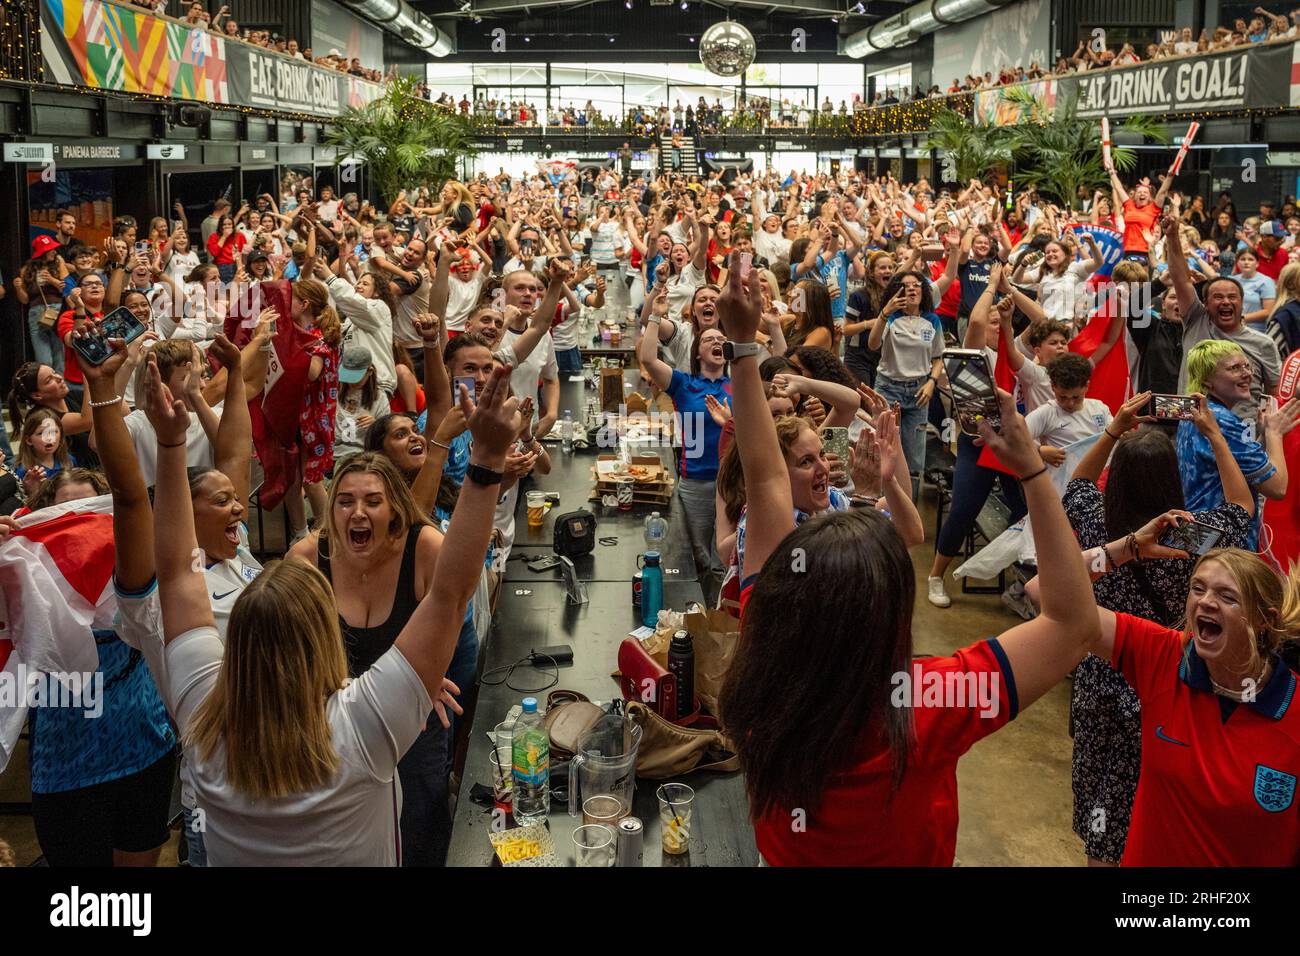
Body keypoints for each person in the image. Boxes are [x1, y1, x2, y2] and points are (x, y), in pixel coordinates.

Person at [714, 250, 1102, 865]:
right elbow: (1073, 623)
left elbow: (763, 482)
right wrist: (1029, 468)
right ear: (896, 607)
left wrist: (741, 345)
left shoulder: (765, 661)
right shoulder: (929, 704)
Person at [149, 355, 518, 866]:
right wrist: (489, 458)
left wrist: (170, 448)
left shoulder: (202, 720)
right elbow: (451, 594)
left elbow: (174, 575)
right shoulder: (362, 727)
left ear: (236, 642)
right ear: (325, 639)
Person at [1042, 390, 1255, 865]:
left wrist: (1114, 428)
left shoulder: (1098, 523)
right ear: (1170, 484)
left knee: (1101, 807)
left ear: (1113, 479)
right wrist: (1214, 433)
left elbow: (1076, 484)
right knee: (1154, 803)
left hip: (1100, 682)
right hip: (1165, 682)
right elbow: (1242, 506)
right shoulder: (1187, 535)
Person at [639, 285, 730, 601]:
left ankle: (720, 620)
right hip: (694, 482)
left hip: (731, 483)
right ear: (697, 351)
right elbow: (648, 358)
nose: (716, 342)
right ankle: (697, 615)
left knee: (724, 560)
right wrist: (654, 316)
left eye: (721, 340)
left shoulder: (740, 385)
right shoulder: (684, 384)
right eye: (709, 340)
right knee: (697, 557)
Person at [1176, 339, 1299, 549]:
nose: (1247, 374)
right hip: (1224, 546)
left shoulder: (1194, 412)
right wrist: (1274, 433)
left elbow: (1240, 465)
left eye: (1247, 366)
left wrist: (1264, 437)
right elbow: (1277, 487)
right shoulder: (1223, 421)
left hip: (1197, 538)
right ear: (1207, 381)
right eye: (1234, 368)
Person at [1165, 215, 1281, 421]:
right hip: (1193, 426)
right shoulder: (1196, 322)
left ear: (1242, 303)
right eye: (1218, 297)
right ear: (1206, 305)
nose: (1226, 302)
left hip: (1242, 435)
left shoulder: (1264, 344)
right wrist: (1172, 236)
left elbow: (1272, 395)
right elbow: (1180, 279)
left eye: (1232, 297)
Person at [867, 273, 944, 491]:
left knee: (914, 458)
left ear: (923, 291)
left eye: (916, 285)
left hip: (920, 391)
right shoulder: (890, 318)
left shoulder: (932, 320)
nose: (911, 289)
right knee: (883, 449)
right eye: (905, 286)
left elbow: (938, 358)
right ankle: (882, 508)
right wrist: (884, 313)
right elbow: (873, 345)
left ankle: (909, 511)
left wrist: (932, 382)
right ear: (897, 292)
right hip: (888, 388)